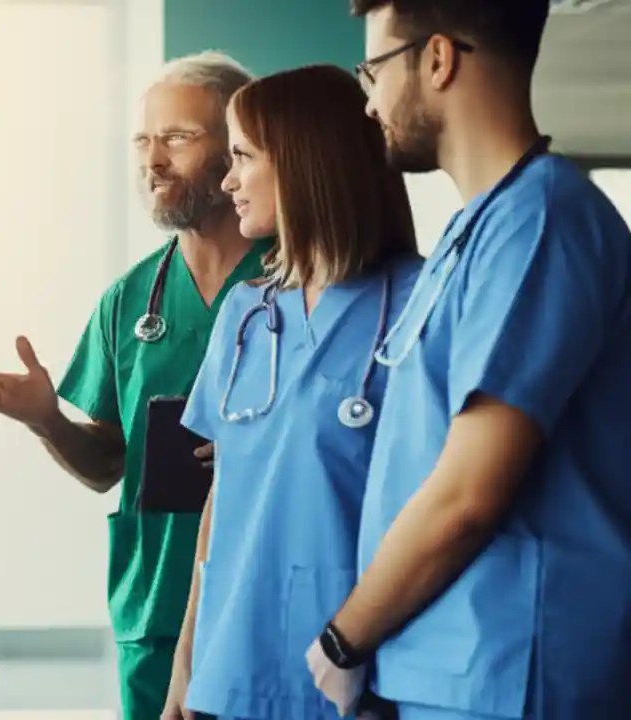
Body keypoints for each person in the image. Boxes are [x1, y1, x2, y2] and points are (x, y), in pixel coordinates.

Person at [306, 2, 631, 718]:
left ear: (438, 59)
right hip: (440, 670)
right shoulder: (473, 232)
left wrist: (343, 641)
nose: (368, 100)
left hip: (514, 672)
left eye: (374, 71)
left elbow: (466, 496)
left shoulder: (543, 219)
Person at [0, 52, 267, 720]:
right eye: (143, 140)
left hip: (267, 600)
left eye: (178, 137)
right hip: (155, 610)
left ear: (238, 148)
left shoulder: (300, 277)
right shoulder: (128, 302)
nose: (153, 159)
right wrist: (48, 420)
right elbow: (106, 468)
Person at [159, 64, 420, 720]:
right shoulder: (245, 314)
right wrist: (185, 673)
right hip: (231, 671)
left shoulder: (418, 305)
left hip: (352, 675)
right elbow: (222, 508)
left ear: (304, 164)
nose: (226, 181)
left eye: (242, 156)